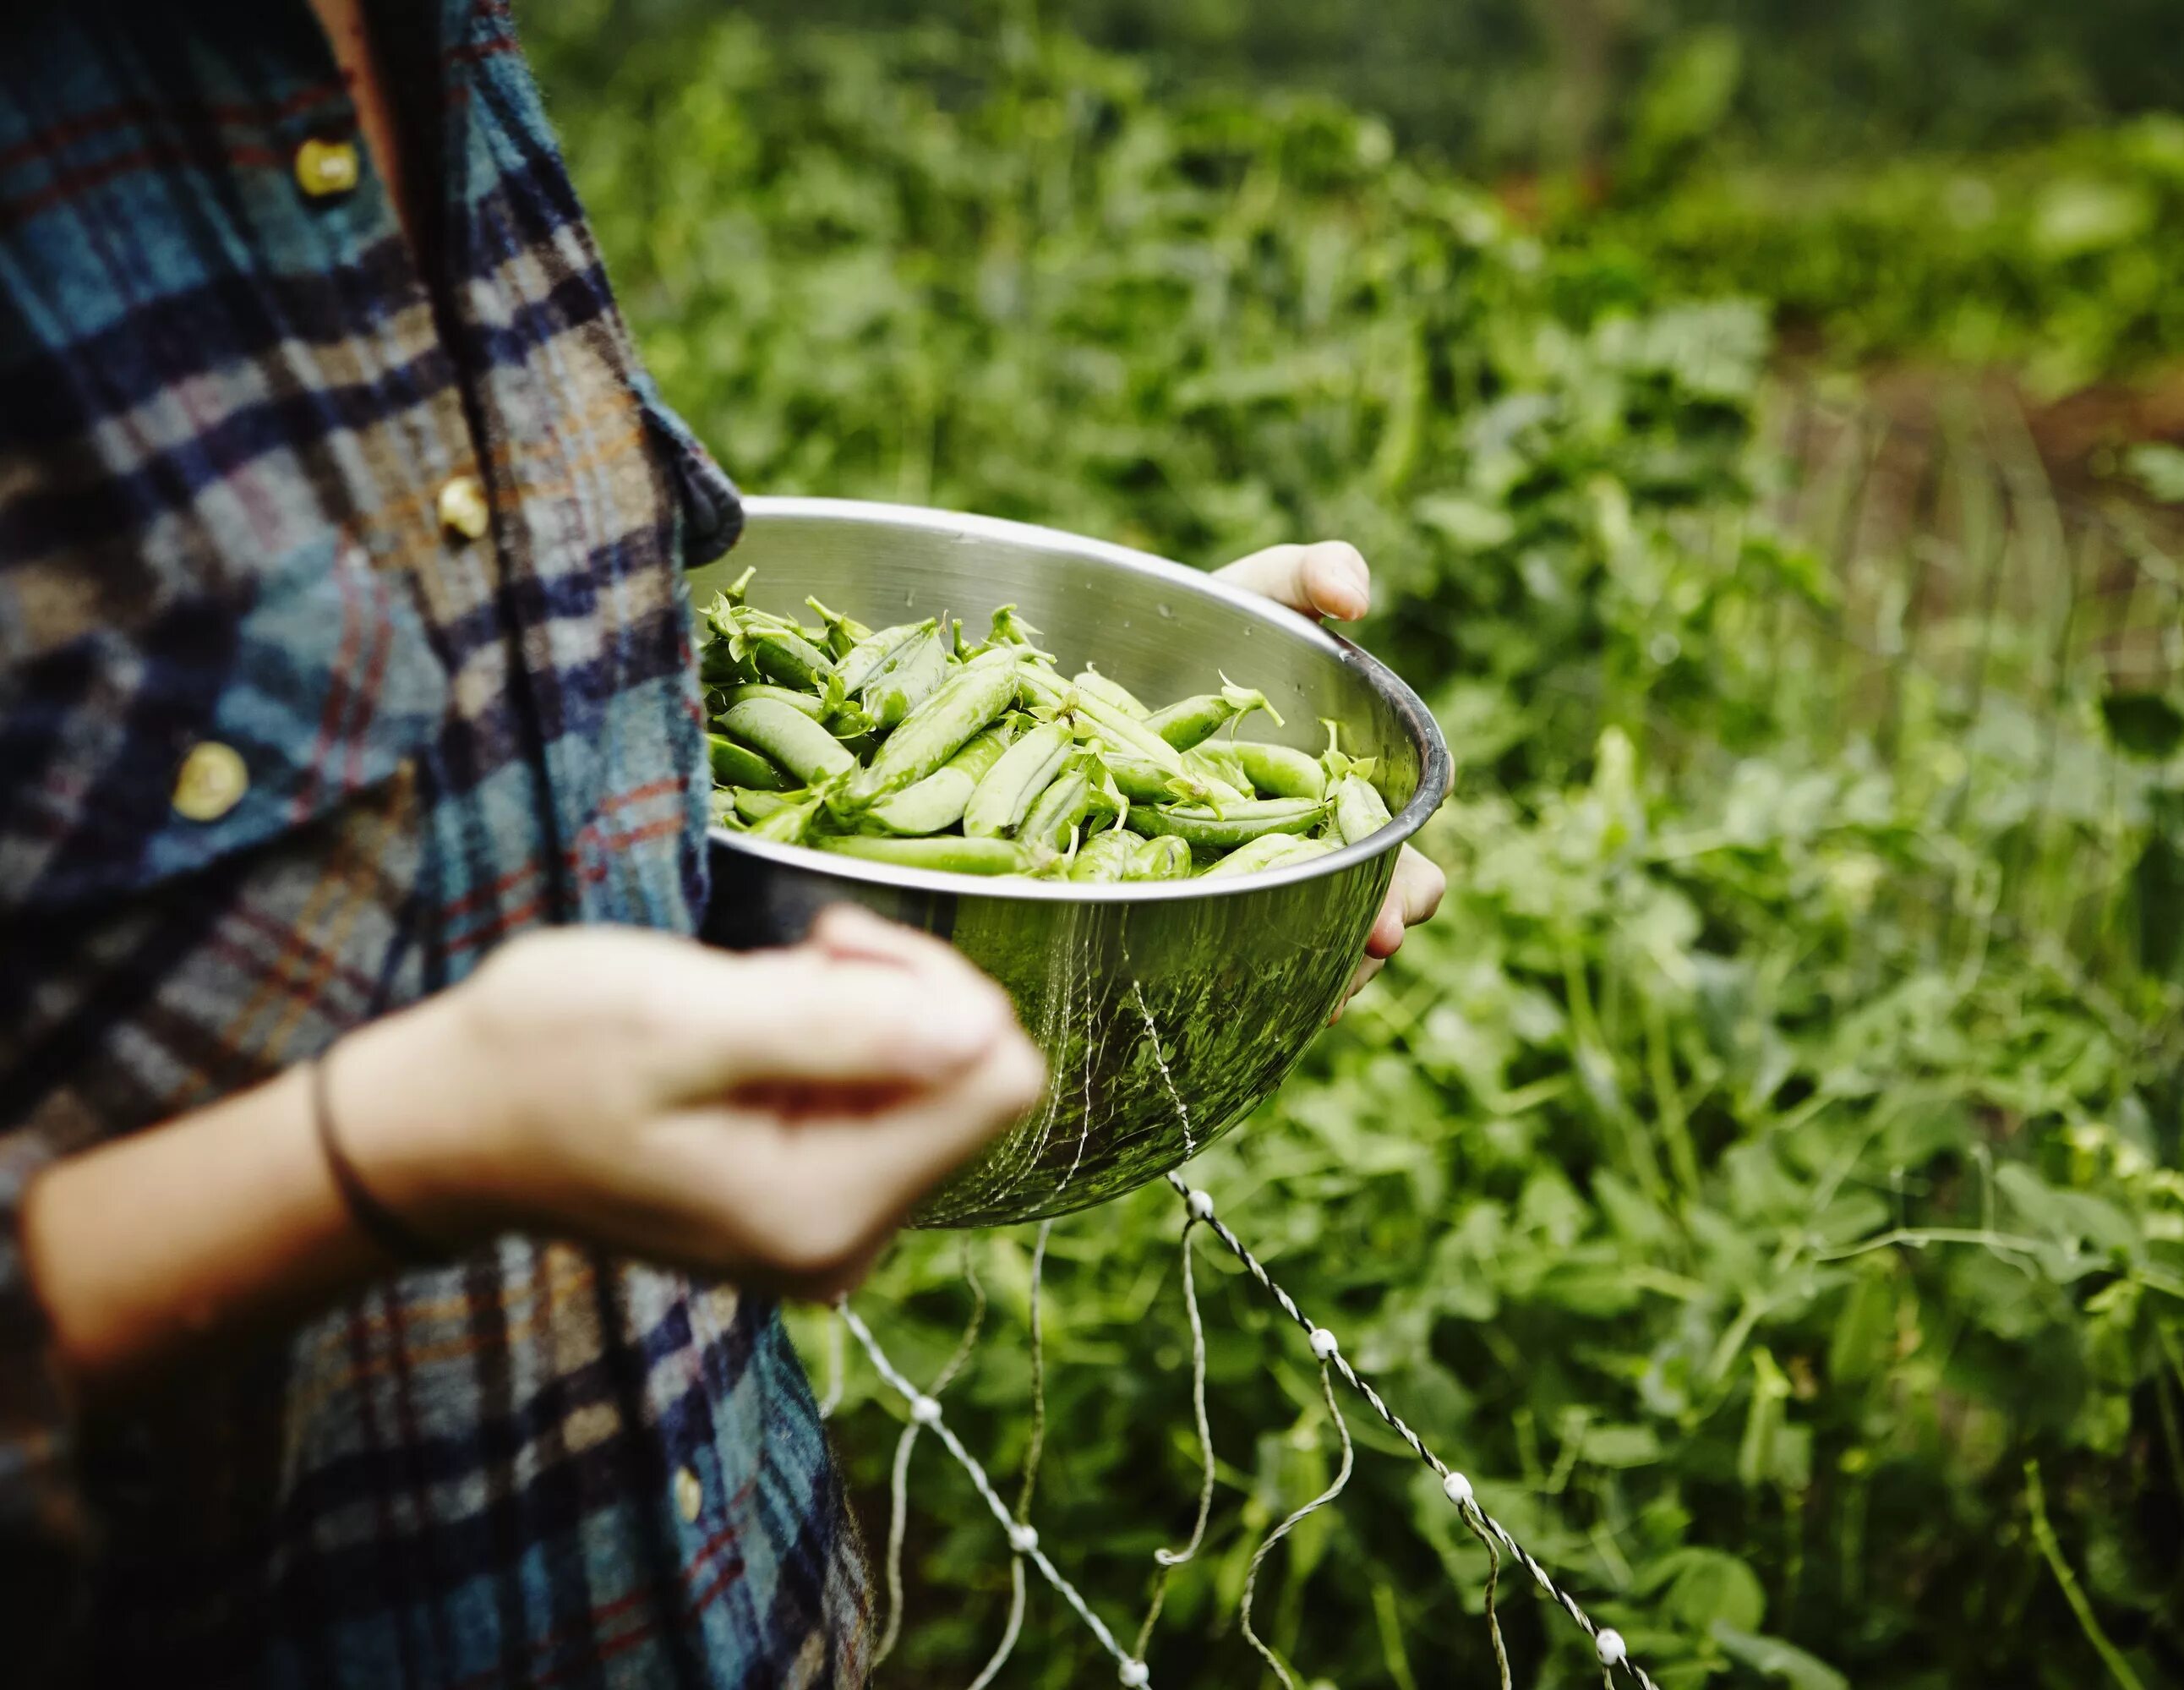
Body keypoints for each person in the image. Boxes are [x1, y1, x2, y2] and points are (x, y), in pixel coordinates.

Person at [0, 1, 1450, 1683]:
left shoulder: (441, 54)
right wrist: (395, 1151)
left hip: (745, 1603)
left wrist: (1135, 827)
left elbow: (505, 820)